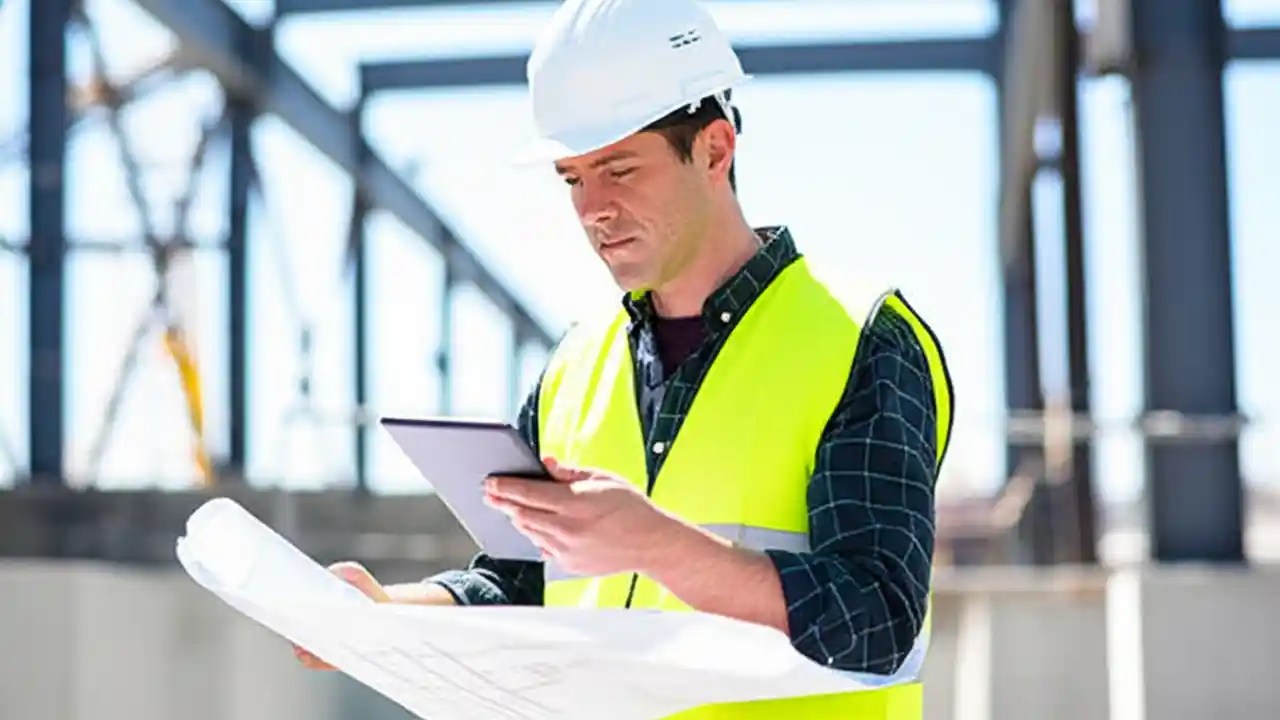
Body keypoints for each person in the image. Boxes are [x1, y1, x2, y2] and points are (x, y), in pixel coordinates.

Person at [296, 0, 954, 717]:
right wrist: (382, 614)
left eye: (619, 169)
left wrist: (656, 545)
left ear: (714, 149)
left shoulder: (860, 339)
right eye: (573, 178)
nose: (592, 210)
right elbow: (521, 586)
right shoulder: (573, 368)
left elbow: (877, 621)